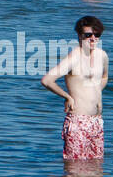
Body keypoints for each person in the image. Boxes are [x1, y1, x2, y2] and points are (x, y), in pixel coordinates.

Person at [41, 16, 108, 161]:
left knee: (97, 171)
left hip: (97, 121)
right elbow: (47, 80)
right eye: (88, 35)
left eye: (97, 35)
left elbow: (104, 77)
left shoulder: (102, 56)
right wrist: (68, 97)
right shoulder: (74, 58)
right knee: (75, 170)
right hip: (78, 121)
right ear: (79, 35)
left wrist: (94, 91)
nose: (93, 38)